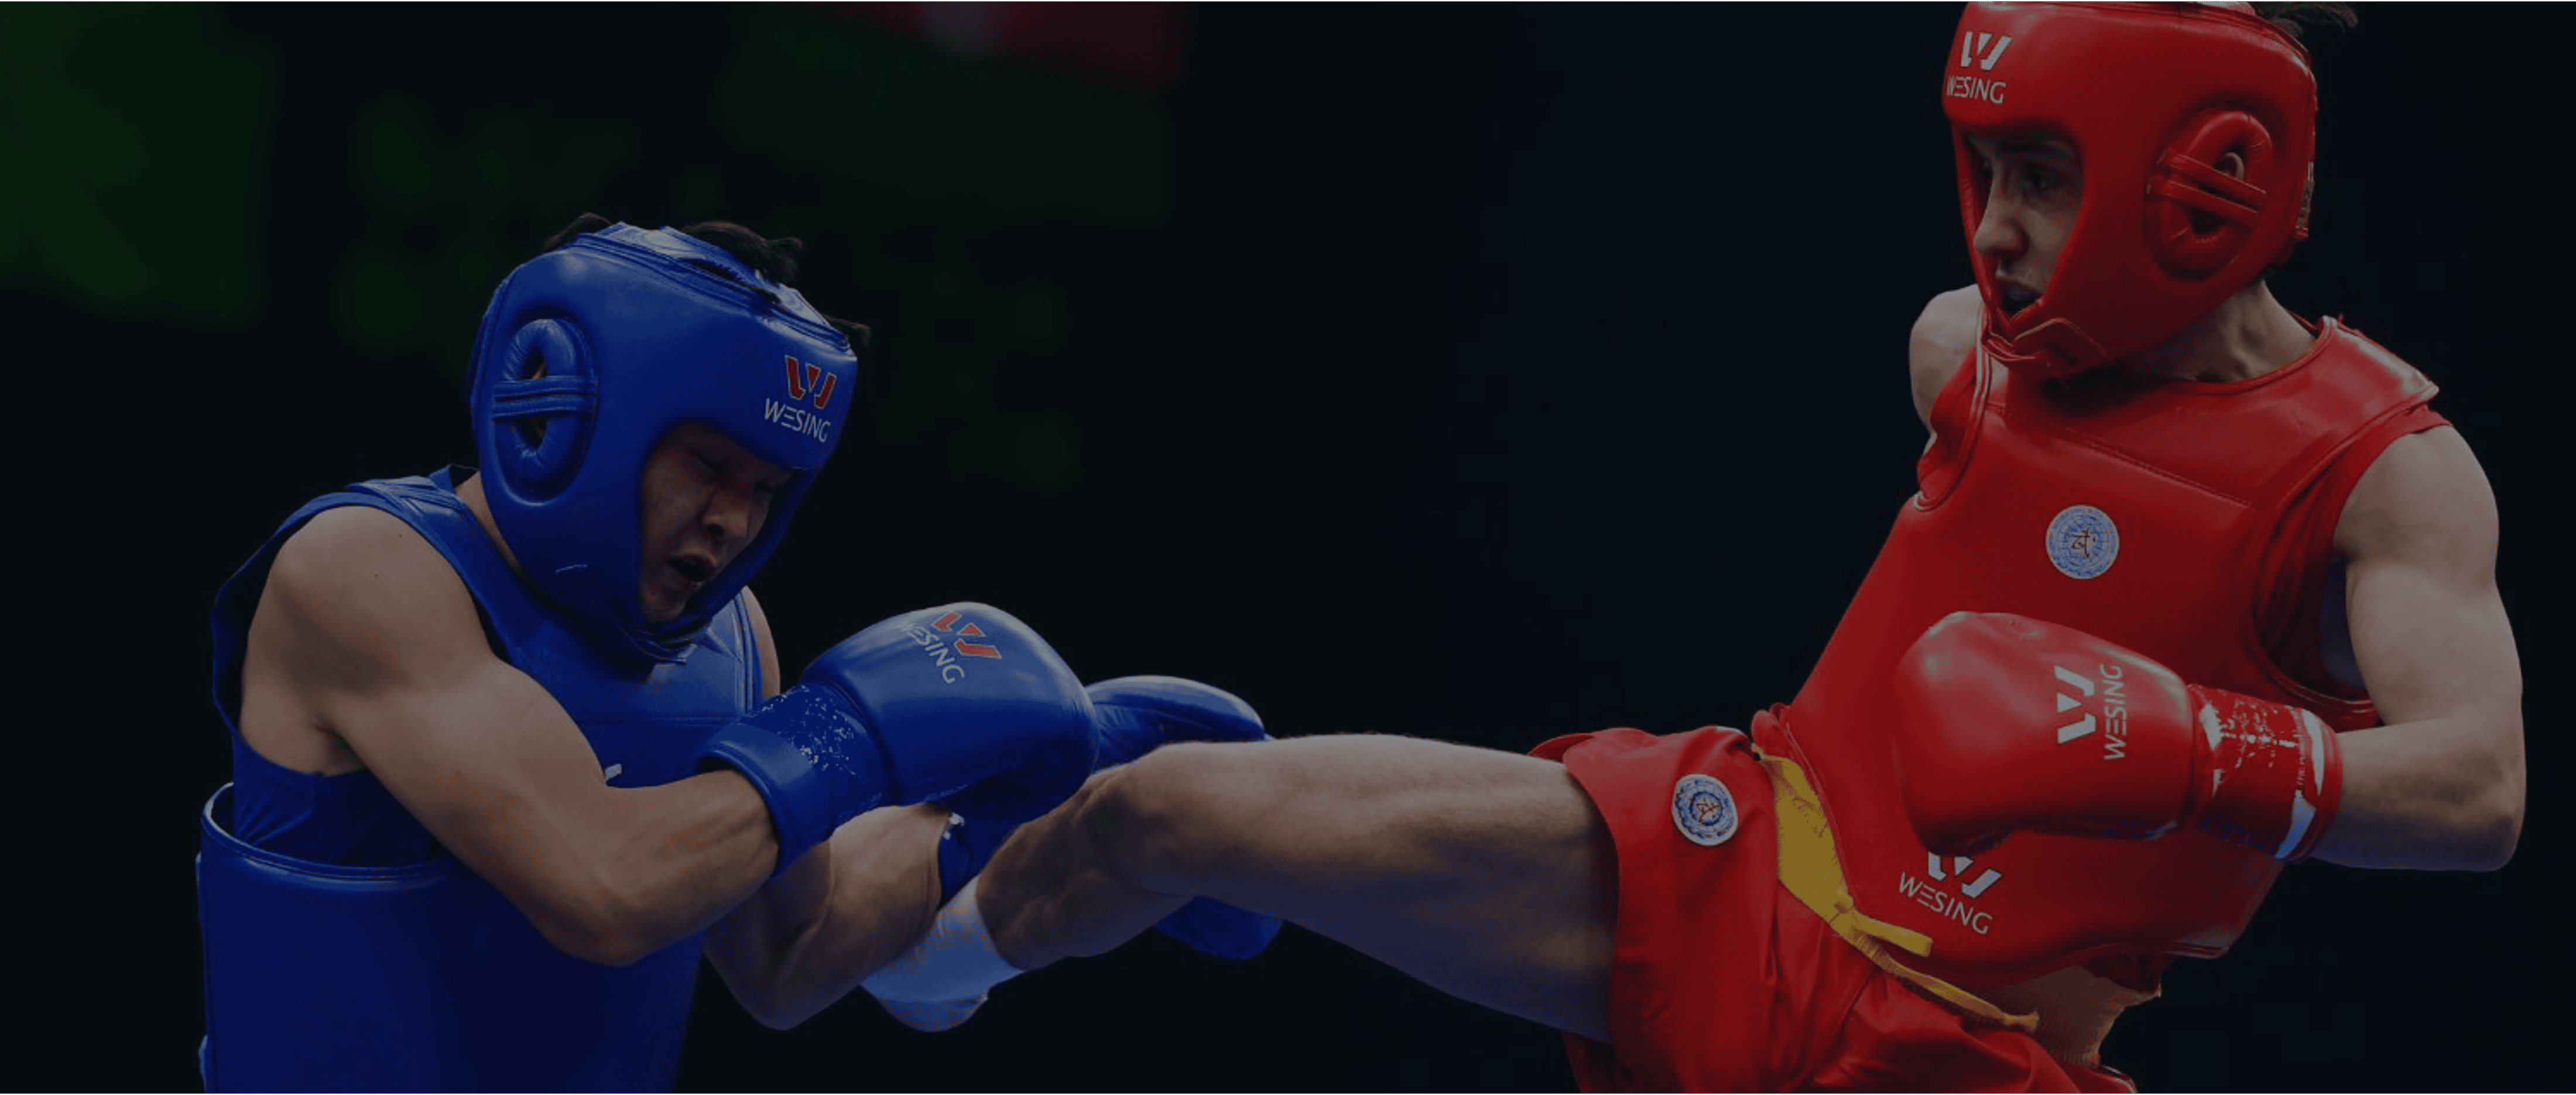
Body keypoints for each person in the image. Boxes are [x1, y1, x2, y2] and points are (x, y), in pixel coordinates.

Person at [857, 4, 2524, 1090]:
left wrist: (2176, 743)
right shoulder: (1964, 356)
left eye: (2040, 176)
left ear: (2205, 182)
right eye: (1985, 170)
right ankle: (905, 966)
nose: (1999, 229)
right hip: (1736, 871)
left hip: (1975, 1052)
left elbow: (2476, 793)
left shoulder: (2381, 471)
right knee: (1170, 805)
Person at [194, 215, 1276, 1092]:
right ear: (562, 410)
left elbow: (788, 953)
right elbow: (604, 887)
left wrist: (999, 804)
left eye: (767, 488)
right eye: (709, 464)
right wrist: (848, 734)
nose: (733, 521)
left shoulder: (726, 637)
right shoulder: (369, 569)